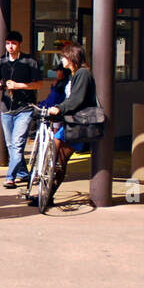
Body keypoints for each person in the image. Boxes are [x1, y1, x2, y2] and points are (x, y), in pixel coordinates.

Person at [0, 31, 45, 188]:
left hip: (25, 108)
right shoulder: (1, 61)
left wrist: (18, 85)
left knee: (17, 143)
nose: (10, 46)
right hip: (6, 108)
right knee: (10, 145)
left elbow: (39, 84)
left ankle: (10, 176)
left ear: (19, 44)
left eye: (13, 43)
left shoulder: (29, 61)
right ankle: (23, 173)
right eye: (8, 43)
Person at [45, 50, 96, 201]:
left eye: (64, 57)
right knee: (58, 157)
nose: (62, 59)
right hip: (72, 123)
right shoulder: (75, 74)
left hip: (79, 124)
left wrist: (60, 108)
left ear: (72, 58)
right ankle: (47, 193)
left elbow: (77, 99)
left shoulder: (83, 74)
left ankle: (47, 193)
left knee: (59, 156)